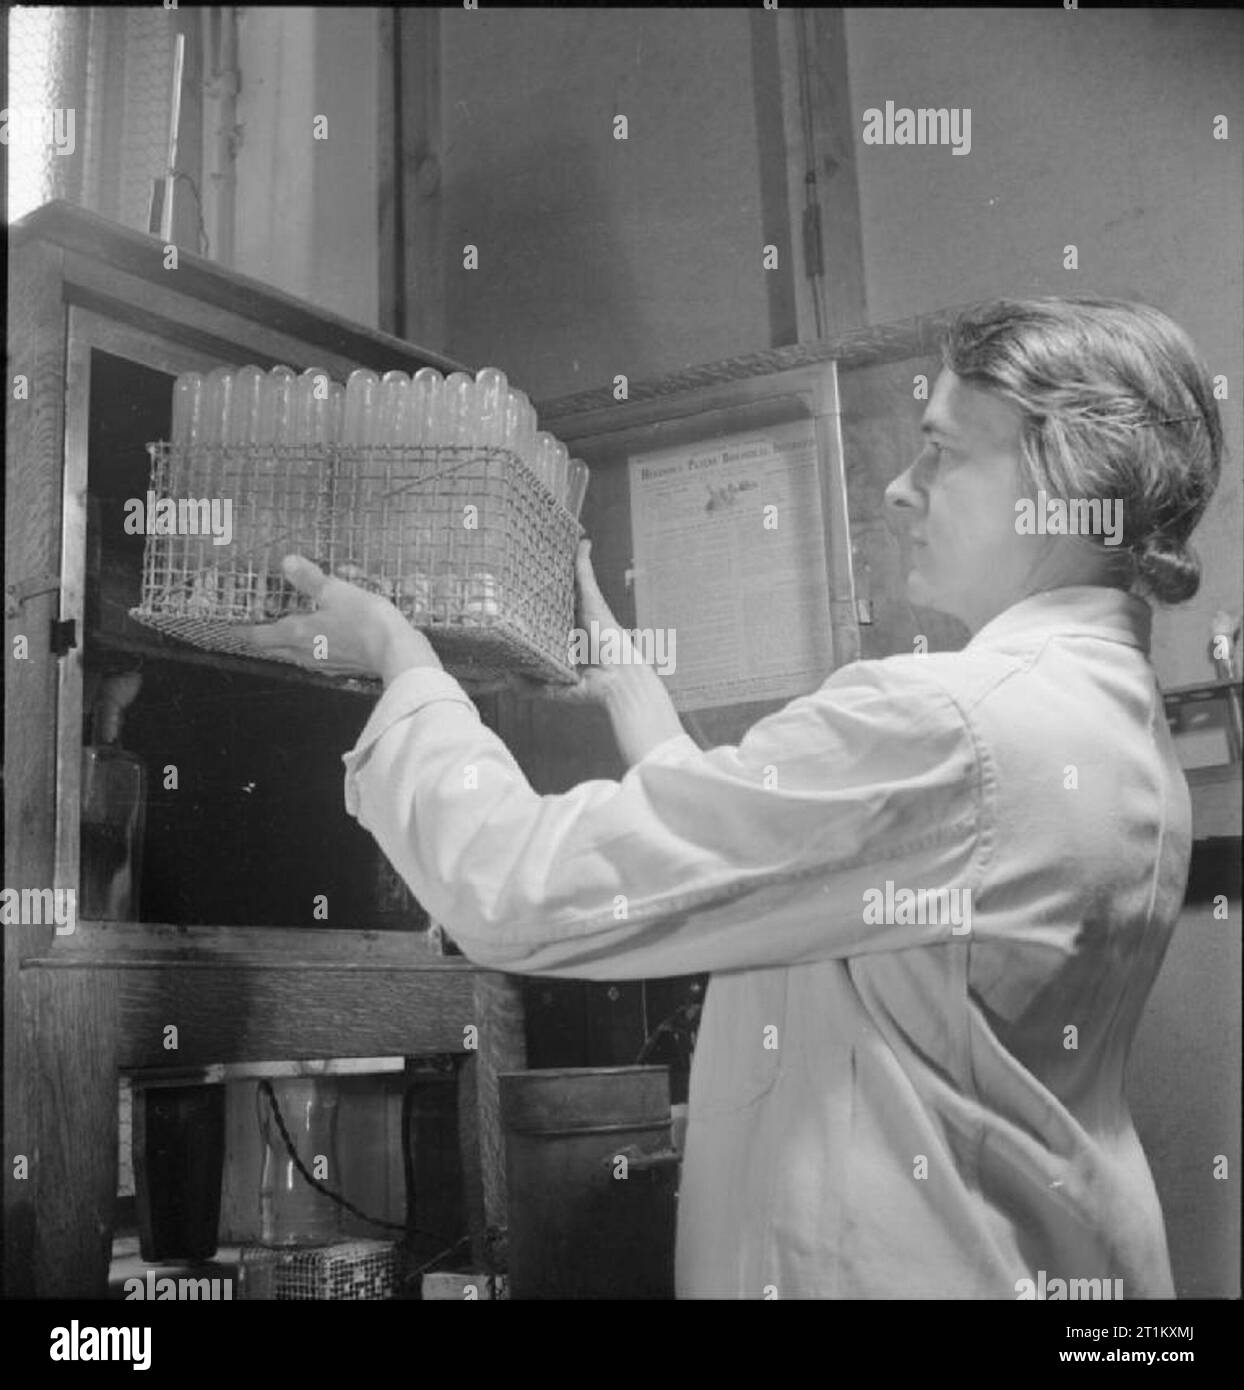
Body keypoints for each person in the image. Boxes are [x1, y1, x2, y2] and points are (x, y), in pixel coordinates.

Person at [248, 296, 1224, 1299]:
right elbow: (793, 870)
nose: (899, 487)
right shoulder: (1107, 719)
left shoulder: (949, 725)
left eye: (941, 452)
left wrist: (401, 664)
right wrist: (633, 695)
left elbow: (519, 887)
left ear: (1059, 477)